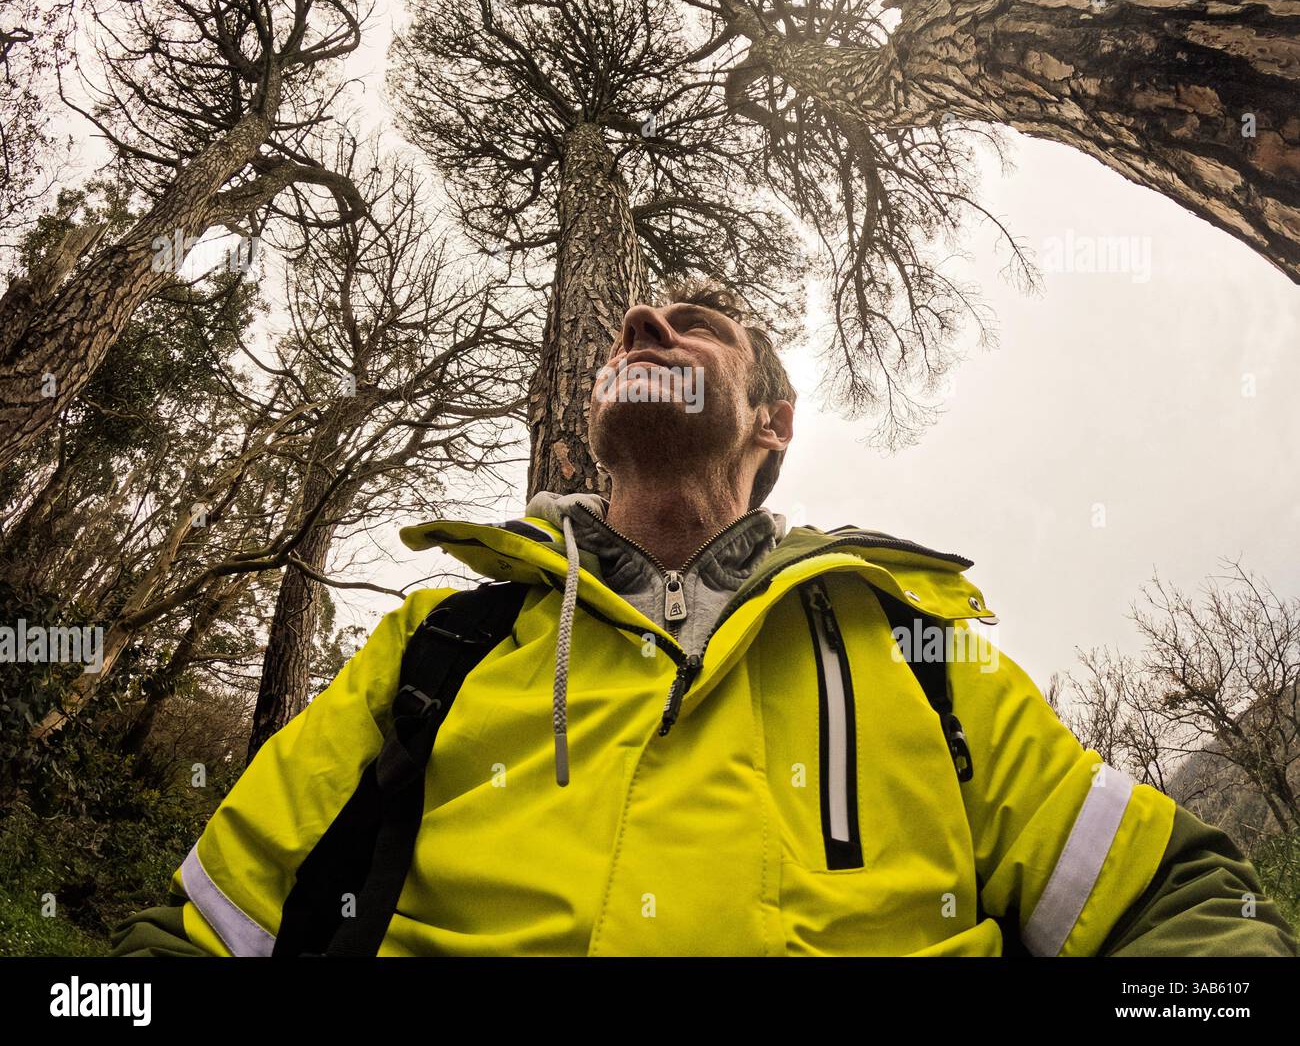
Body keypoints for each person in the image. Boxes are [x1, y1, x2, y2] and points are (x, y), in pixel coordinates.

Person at [110, 284, 1297, 956]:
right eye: (627, 331)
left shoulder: (921, 659)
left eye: (700, 324)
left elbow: (1181, 902)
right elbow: (202, 930)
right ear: (587, 426)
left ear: (771, 422)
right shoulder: (437, 646)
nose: (638, 323)